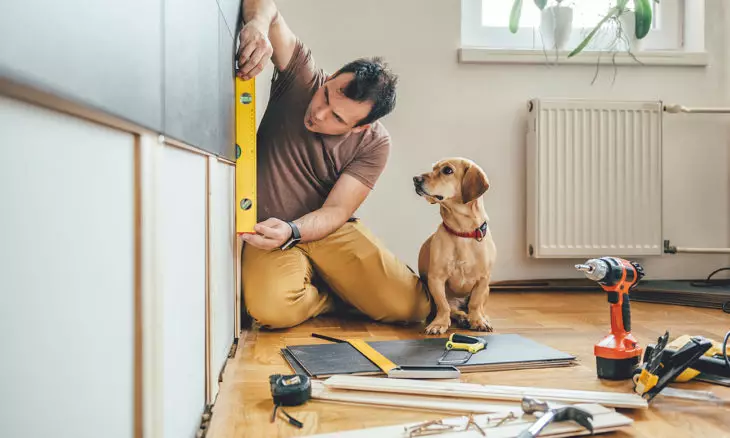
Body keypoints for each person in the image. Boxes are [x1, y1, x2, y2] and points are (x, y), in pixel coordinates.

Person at [236, 0, 432, 329]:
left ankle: (348, 288)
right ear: (332, 78)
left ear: (360, 126)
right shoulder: (301, 78)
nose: (319, 113)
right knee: (272, 311)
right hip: (269, 230)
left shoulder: (375, 143)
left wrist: (294, 230)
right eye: (326, 95)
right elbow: (264, 5)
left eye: (337, 117)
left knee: (412, 307)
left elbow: (337, 212)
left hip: (326, 229)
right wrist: (256, 26)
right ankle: (333, 296)